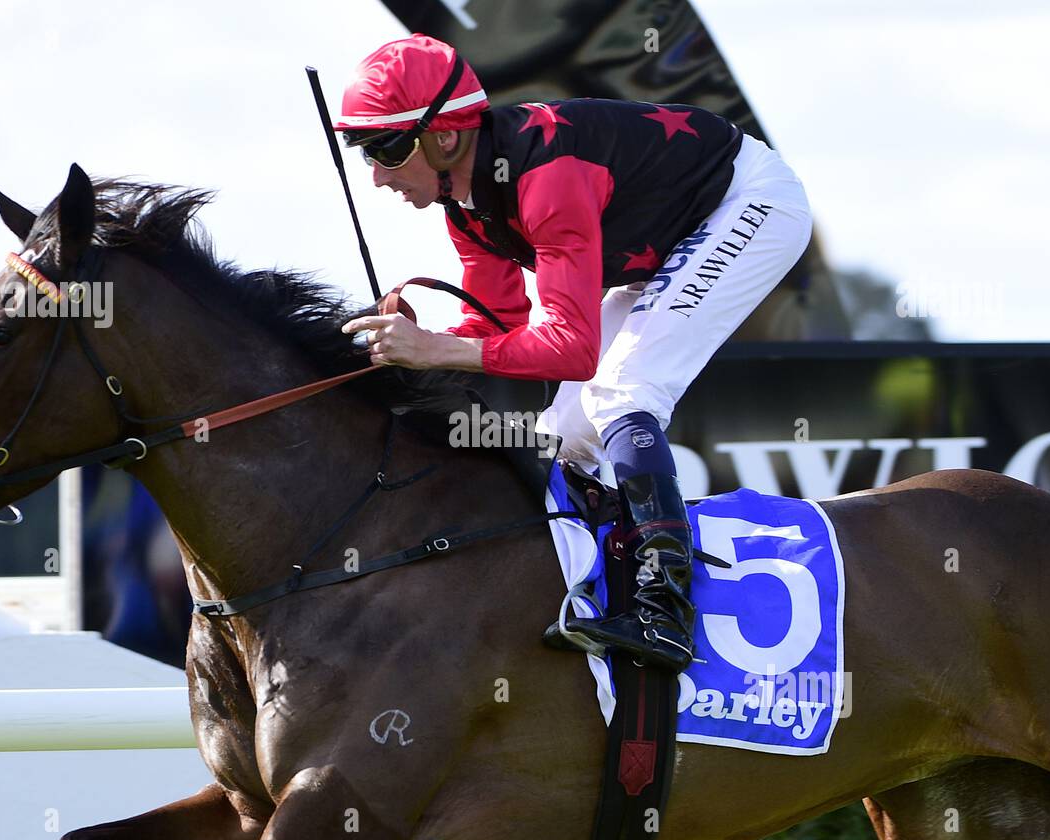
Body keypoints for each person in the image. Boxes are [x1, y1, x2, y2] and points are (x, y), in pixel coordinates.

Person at [336, 34, 814, 674]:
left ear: (444, 138)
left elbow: (569, 349)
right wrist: (420, 344)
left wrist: (436, 349)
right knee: (566, 434)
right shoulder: (465, 208)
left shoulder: (547, 178)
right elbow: (498, 324)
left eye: (387, 149)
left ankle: (666, 612)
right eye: (365, 152)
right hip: (670, 237)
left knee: (623, 393)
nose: (377, 175)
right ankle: (601, 588)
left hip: (749, 203)